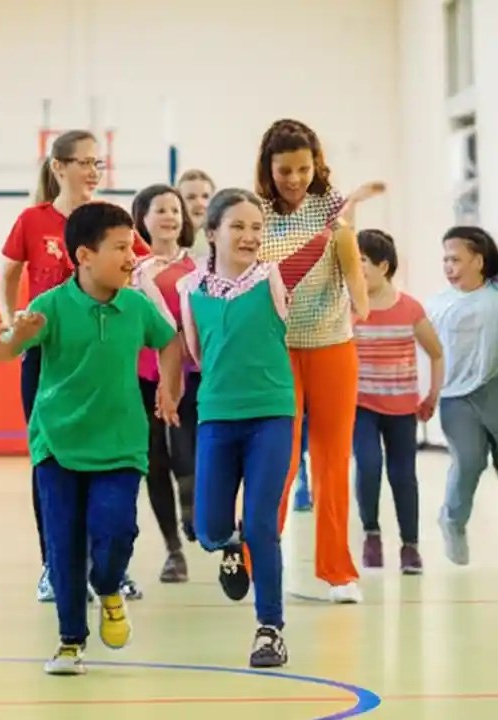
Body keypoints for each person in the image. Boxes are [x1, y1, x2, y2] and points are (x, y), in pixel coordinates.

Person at [0, 201, 182, 676]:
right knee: (64, 546)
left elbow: (169, 341)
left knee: (115, 534)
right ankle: (70, 641)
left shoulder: (136, 305)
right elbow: (6, 352)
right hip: (57, 445)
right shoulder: (50, 306)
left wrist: (169, 389)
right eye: (122, 248)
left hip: (121, 445)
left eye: (132, 247)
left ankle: (108, 587)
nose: (133, 257)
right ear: (85, 256)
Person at [0, 129, 150, 603]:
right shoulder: (32, 220)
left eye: (97, 163)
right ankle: (56, 565)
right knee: (51, 461)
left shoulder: (108, 223)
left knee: (113, 461)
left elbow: (143, 270)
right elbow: (7, 274)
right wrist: (13, 328)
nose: (91, 171)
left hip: (103, 356)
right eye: (83, 162)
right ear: (58, 166)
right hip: (49, 355)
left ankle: (110, 564)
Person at [179, 188, 312, 668]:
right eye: (237, 226)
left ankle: (270, 628)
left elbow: (316, 248)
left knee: (261, 523)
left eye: (256, 227)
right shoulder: (190, 289)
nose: (249, 236)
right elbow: (196, 352)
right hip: (216, 414)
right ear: (211, 232)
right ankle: (227, 547)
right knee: (209, 527)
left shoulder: (274, 279)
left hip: (272, 415)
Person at [255, 118, 382, 603]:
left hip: (332, 348)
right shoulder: (257, 215)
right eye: (285, 169)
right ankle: (256, 563)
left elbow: (353, 273)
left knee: (331, 460)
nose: (294, 178)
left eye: (303, 169)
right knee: (277, 462)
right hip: (276, 352)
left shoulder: (333, 213)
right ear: (269, 168)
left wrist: (361, 300)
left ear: (316, 165)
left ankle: (338, 570)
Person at [351, 229, 442, 574]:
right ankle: (371, 534)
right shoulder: (351, 307)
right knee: (369, 466)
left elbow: (435, 352)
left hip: (403, 407)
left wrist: (432, 394)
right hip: (361, 405)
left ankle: (410, 546)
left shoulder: (409, 308)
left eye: (360, 262)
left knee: (403, 475)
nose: (354, 269)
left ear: (383, 265)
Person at [130, 183, 200, 582]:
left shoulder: (199, 269)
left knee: (187, 453)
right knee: (154, 460)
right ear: (143, 219)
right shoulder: (132, 271)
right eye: (161, 210)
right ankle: (173, 550)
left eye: (175, 210)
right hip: (142, 376)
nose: (171, 216)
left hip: (192, 375)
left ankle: (192, 508)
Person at [428, 226, 498, 565]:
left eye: (455, 259)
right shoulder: (439, 305)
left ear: (479, 261)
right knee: (469, 461)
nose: (448, 266)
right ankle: (452, 521)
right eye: (445, 259)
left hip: (494, 390)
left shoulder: (494, 295)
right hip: (456, 397)